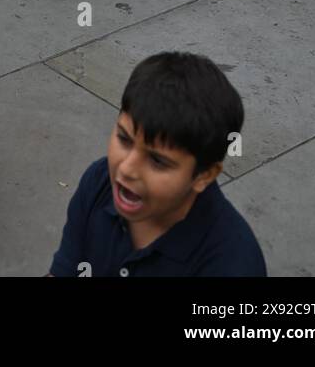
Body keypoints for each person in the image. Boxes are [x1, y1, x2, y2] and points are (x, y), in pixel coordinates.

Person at [49, 52, 266, 277]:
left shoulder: (232, 265)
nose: (126, 169)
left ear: (204, 175)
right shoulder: (99, 182)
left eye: (157, 161)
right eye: (124, 139)